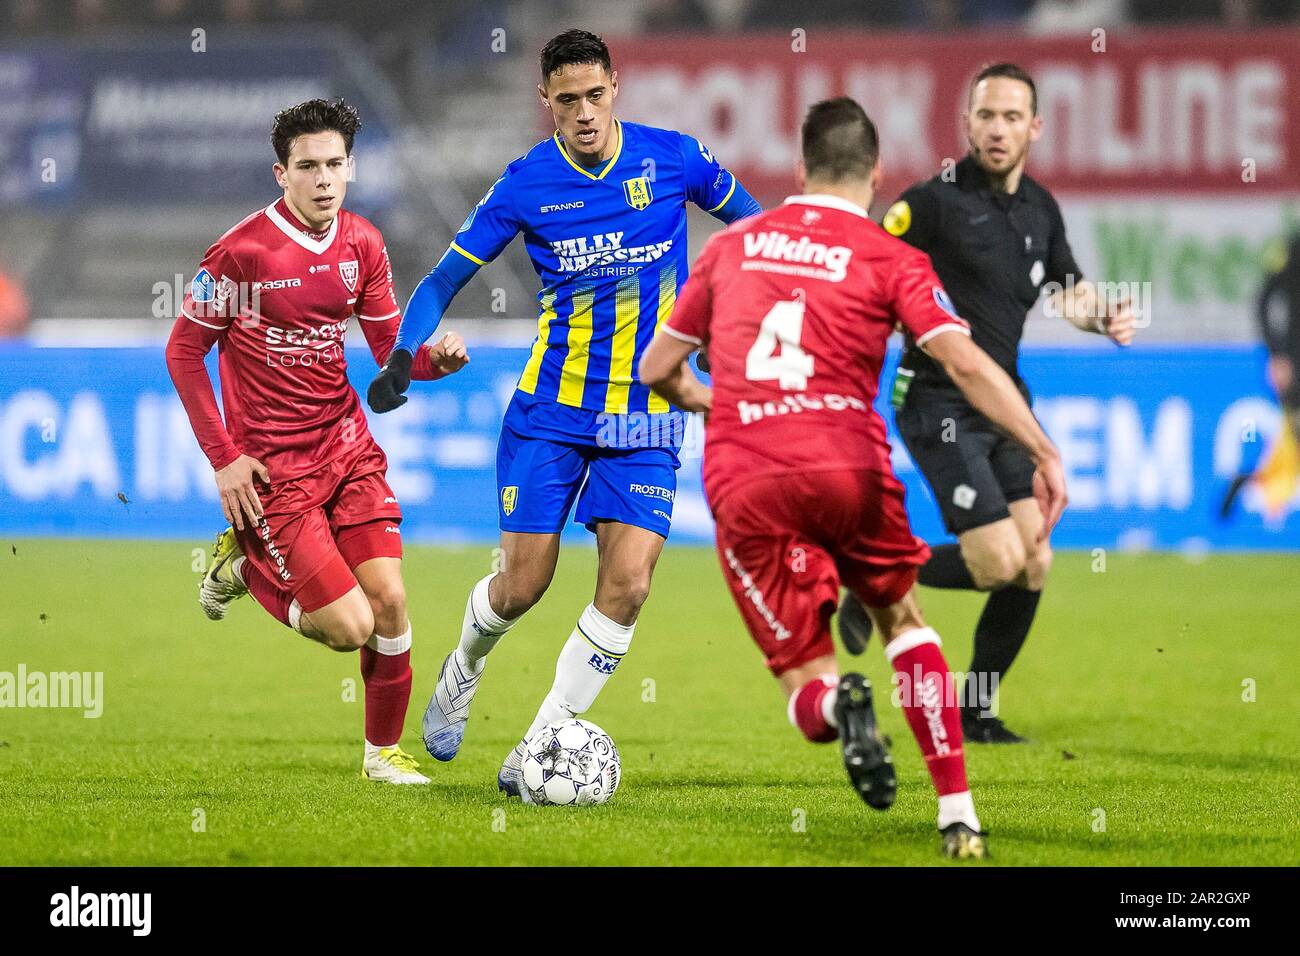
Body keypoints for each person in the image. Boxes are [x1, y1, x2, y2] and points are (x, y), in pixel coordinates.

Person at [638, 97, 1068, 858]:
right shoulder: (890, 256)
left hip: (748, 475)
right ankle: (958, 816)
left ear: (799, 169)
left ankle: (842, 702)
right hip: (848, 465)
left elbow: (657, 369)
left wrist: (718, 401)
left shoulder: (732, 247)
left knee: (804, 687)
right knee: (906, 623)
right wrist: (1041, 448)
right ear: (875, 177)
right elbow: (965, 362)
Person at [367, 29, 760, 796]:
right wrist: (400, 358)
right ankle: (467, 661)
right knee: (523, 586)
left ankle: (540, 744)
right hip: (552, 410)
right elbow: (440, 282)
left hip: (646, 415)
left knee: (630, 585)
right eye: (566, 100)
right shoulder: (525, 183)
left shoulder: (672, 157)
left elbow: (754, 236)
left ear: (616, 86)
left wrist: (730, 322)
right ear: (543, 101)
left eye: (595, 95)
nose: (583, 113)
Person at [165, 98, 469, 784]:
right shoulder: (242, 255)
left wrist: (432, 363)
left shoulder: (361, 243)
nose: (324, 179)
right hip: (276, 473)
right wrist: (225, 461)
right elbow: (184, 354)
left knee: (390, 597)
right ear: (282, 173)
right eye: (309, 167)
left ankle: (382, 755)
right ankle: (241, 568)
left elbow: (392, 351)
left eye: (335, 164)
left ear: (350, 167)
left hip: (347, 446)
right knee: (349, 628)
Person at [839, 63, 1136, 743]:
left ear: (1034, 127)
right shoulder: (932, 204)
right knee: (998, 561)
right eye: (984, 115)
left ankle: (974, 709)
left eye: (1010, 116)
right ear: (965, 123)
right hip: (936, 395)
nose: (996, 128)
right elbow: (866, 276)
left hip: (1003, 398)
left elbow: (1069, 291)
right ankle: (871, 576)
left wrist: (1106, 316)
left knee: (1033, 559)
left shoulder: (1040, 208)